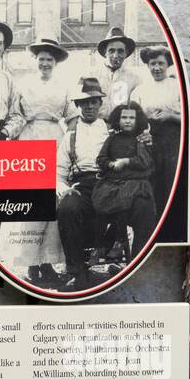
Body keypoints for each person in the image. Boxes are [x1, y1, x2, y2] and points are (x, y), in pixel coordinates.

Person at [0, 38, 69, 284]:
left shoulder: (63, 86)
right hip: (28, 139)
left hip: (55, 140)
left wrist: (71, 144)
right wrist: (8, 138)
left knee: (52, 204)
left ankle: (47, 261)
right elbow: (15, 115)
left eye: (50, 59)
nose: (45, 63)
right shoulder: (23, 85)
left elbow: (72, 117)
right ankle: (30, 264)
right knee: (31, 203)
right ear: (35, 60)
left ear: (56, 62)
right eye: (41, 59)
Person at [55, 78, 111, 290]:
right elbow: (58, 172)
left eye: (93, 102)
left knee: (126, 206)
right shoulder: (69, 136)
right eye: (83, 103)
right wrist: (63, 189)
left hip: (108, 185)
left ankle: (106, 256)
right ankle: (77, 272)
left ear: (99, 104)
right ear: (77, 106)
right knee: (67, 208)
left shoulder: (111, 132)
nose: (89, 107)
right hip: (81, 186)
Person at [92, 102, 156, 263]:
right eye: (124, 117)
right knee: (107, 200)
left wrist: (126, 161)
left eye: (131, 118)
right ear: (117, 119)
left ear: (138, 120)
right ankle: (108, 242)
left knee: (126, 198)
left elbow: (144, 162)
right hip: (114, 182)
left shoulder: (140, 139)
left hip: (135, 182)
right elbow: (101, 159)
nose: (127, 121)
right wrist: (110, 164)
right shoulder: (112, 139)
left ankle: (118, 242)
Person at [131, 46, 182, 219]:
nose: (157, 68)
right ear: (147, 65)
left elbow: (189, 119)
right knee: (152, 180)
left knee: (171, 180)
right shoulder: (140, 90)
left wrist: (169, 116)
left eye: (161, 63)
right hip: (149, 139)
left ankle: (172, 222)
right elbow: (132, 117)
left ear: (167, 65)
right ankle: (153, 223)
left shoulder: (178, 87)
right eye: (153, 64)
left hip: (173, 140)